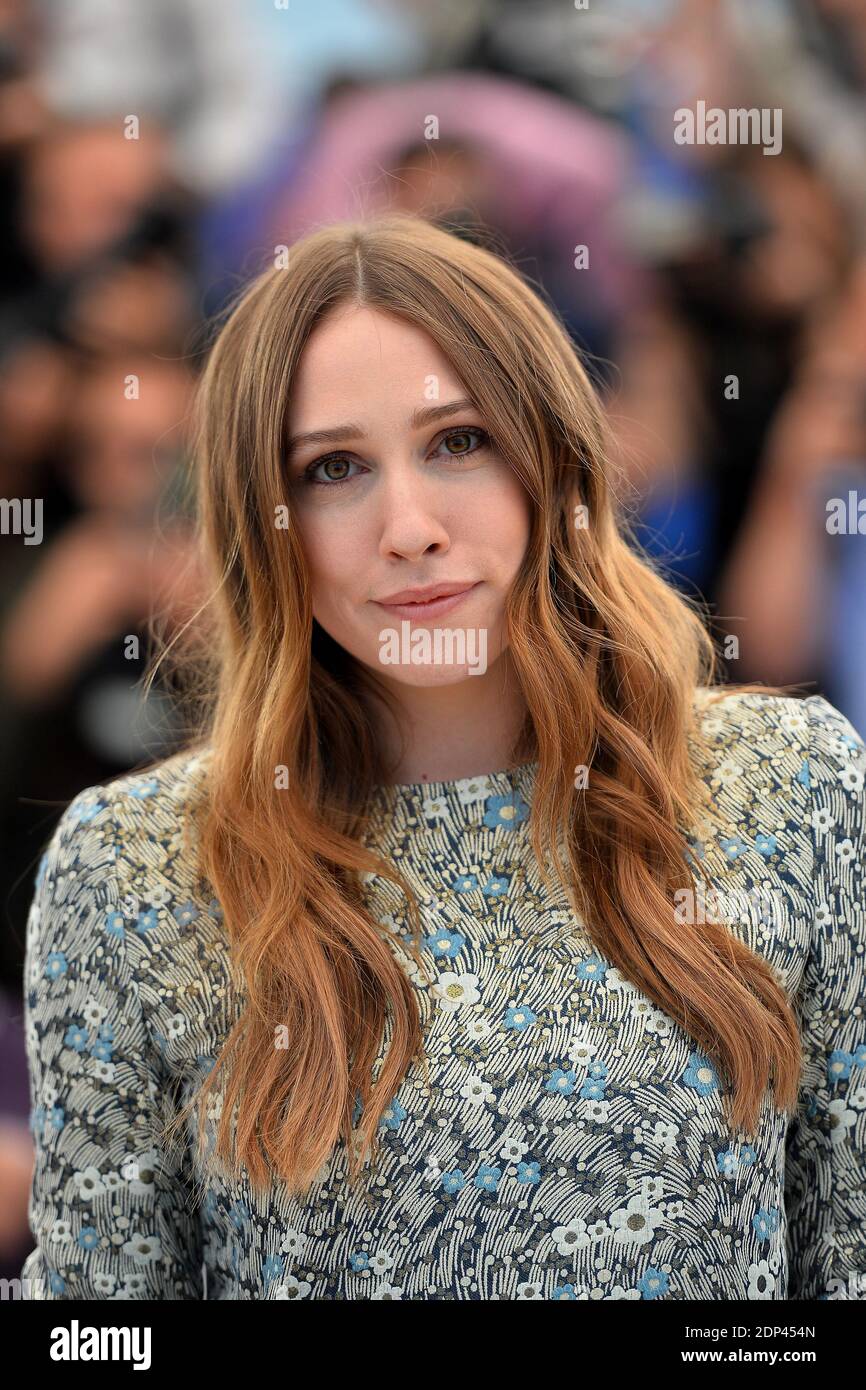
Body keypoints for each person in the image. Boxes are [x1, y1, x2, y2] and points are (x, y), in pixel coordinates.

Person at [20, 215, 866, 1301]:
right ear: (261, 520)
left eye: (457, 441)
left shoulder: (787, 784)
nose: (409, 525)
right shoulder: (133, 869)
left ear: (547, 456)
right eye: (332, 468)